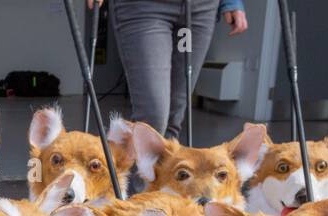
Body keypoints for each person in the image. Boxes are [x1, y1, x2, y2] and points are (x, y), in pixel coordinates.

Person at [92, 0, 248, 140]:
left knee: (175, 113)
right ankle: (132, 165)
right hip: (146, 9)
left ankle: (159, 171)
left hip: (197, 13)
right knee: (153, 117)